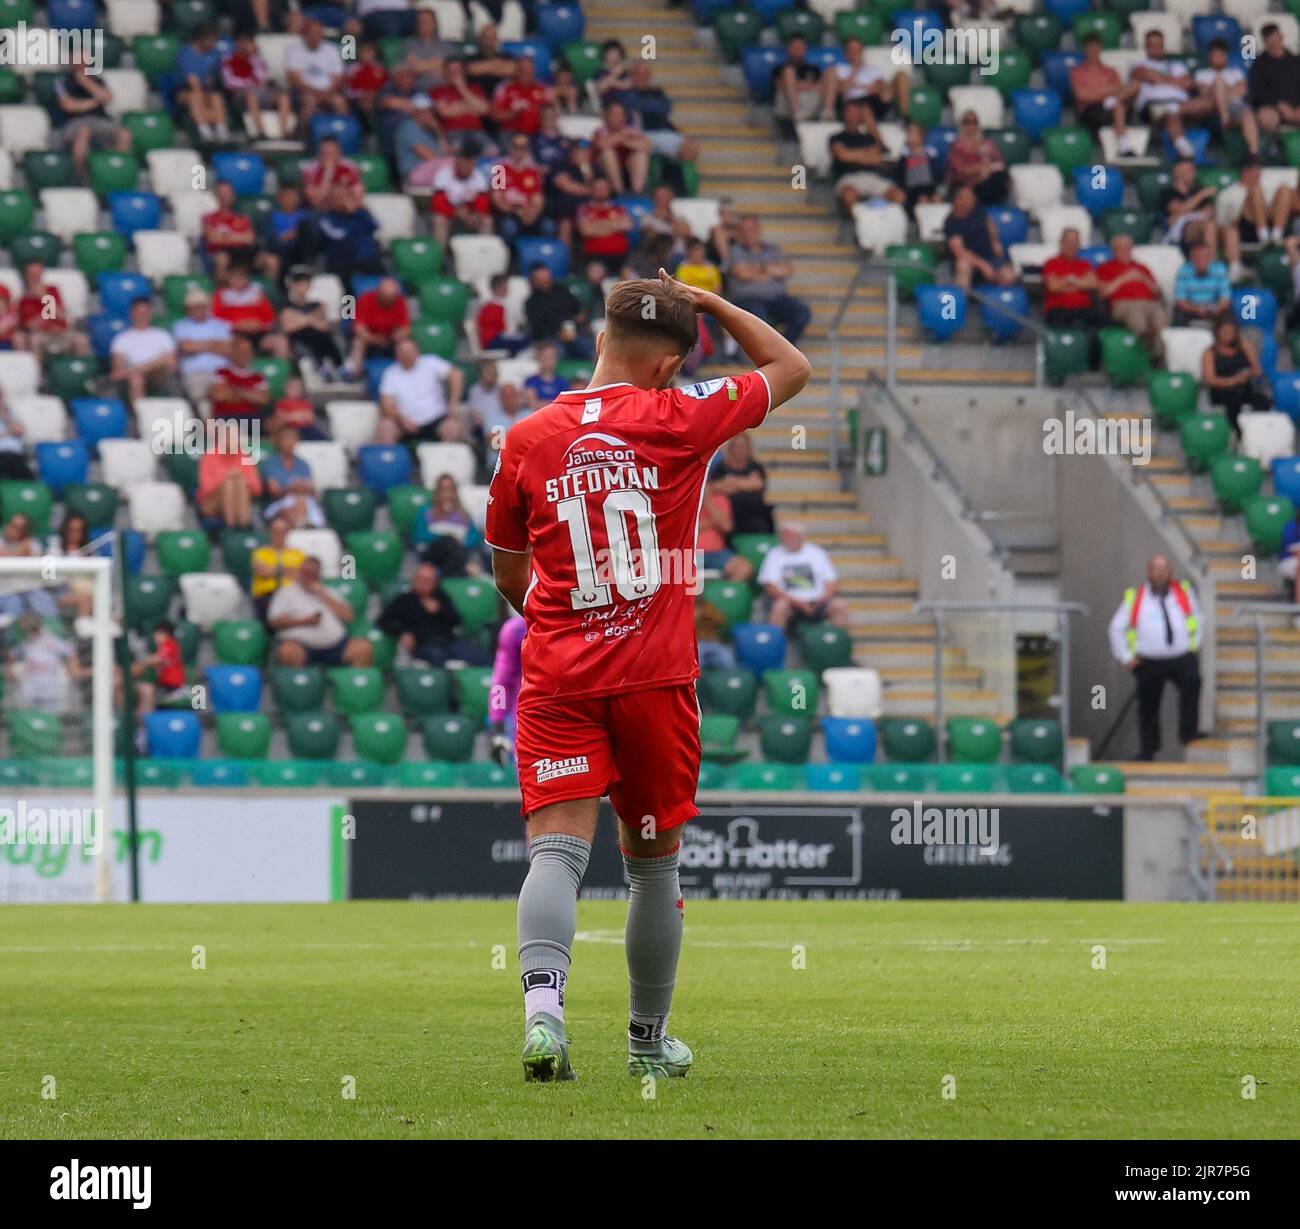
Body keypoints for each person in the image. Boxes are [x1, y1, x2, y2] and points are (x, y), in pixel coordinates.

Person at [485, 271, 811, 1082]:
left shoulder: (525, 437)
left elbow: (506, 571)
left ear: (600, 340)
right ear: (668, 366)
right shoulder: (681, 414)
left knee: (556, 855)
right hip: (656, 678)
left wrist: (569, 616)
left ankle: (543, 1019)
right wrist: (714, 305)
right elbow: (792, 366)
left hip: (559, 675)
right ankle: (645, 1042)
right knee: (653, 867)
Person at [1107, 554, 1204, 761]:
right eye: (1156, 569)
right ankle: (1148, 749)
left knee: (1192, 682)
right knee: (1148, 704)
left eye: (1164, 569)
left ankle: (1188, 732)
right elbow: (1116, 628)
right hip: (1148, 660)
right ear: (1149, 573)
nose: (1160, 573)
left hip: (1180, 656)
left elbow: (1198, 619)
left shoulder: (1183, 593)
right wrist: (1125, 657)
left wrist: (1193, 645)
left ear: (1170, 572)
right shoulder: (1135, 597)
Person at [268, 555, 374, 667]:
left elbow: (349, 616)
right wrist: (304, 622)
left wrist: (322, 595)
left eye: (313, 573)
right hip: (302, 647)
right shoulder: (286, 593)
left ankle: (354, 682)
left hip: (336, 646)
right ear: (300, 572)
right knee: (287, 651)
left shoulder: (329, 591)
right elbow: (274, 622)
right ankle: (299, 681)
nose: (309, 576)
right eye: (306, 572)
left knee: (363, 648)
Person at [377, 560, 489, 665]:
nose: (423, 583)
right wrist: (402, 633)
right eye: (420, 579)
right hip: (423, 644)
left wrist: (440, 610)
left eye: (428, 580)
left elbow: (457, 620)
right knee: (438, 657)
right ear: (413, 580)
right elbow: (383, 621)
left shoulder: (441, 596)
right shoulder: (404, 600)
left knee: (481, 657)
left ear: (435, 582)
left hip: (448, 641)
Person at [725, 215, 812, 345]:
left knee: (802, 312)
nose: (748, 233)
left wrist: (759, 269)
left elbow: (787, 270)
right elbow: (743, 274)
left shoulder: (773, 249)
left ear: (758, 230)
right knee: (759, 319)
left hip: (777, 299)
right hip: (749, 300)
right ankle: (771, 352)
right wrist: (771, 271)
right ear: (739, 232)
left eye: (752, 229)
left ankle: (785, 348)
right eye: (744, 230)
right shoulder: (735, 251)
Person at [758, 520, 849, 631]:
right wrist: (797, 602)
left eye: (791, 536)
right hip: (790, 603)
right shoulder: (774, 554)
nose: (787, 539)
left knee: (840, 605)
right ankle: (775, 644)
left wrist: (821, 600)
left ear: (801, 537)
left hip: (817, 601)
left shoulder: (817, 553)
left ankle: (836, 642)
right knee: (780, 607)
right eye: (784, 536)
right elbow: (770, 587)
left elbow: (831, 582)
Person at [54, 50, 130, 177]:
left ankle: (118, 172)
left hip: (100, 121)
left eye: (84, 59)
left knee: (124, 134)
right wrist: (93, 103)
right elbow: (68, 106)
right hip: (74, 123)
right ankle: (81, 175)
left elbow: (106, 98)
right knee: (84, 131)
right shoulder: (62, 81)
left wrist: (84, 80)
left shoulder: (97, 80)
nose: (81, 63)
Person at [377, 338, 466, 444]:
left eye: (410, 351)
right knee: (385, 427)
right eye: (402, 352)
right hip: (404, 422)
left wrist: (452, 404)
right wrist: (402, 419)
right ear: (397, 355)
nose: (407, 355)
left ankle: (444, 459)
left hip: (436, 419)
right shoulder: (391, 373)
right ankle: (392, 459)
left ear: (417, 351)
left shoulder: (431, 362)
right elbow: (386, 405)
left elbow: (456, 375)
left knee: (452, 427)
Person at [1097, 233, 1168, 364]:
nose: (1125, 251)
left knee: (1159, 315)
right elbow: (1102, 293)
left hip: (1148, 302)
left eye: (1128, 247)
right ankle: (1151, 352)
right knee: (1137, 316)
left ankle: (1157, 355)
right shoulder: (1105, 268)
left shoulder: (1142, 267)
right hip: (1123, 304)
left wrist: (1143, 279)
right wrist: (1124, 278)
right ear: (1114, 250)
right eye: (1121, 248)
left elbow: (1157, 292)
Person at [830, 99, 905, 213]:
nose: (853, 116)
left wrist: (853, 154)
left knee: (899, 195)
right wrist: (866, 154)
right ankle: (858, 223)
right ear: (844, 114)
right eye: (850, 113)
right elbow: (842, 156)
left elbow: (877, 158)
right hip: (850, 178)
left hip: (872, 177)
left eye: (856, 113)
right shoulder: (837, 138)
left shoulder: (869, 138)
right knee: (849, 195)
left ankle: (883, 220)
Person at [1070, 33, 1139, 156]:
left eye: (1096, 48)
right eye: (1090, 49)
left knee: (1134, 86)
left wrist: (1097, 92)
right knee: (1117, 105)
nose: (1093, 51)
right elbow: (1081, 95)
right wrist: (1107, 91)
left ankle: (1110, 103)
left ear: (1100, 49)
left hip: (1112, 106)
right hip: (1091, 110)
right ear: (1085, 50)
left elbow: (1119, 89)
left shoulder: (1110, 71)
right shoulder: (1077, 72)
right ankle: (1124, 144)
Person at [1201, 319, 1268, 436]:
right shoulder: (1210, 352)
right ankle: (1238, 433)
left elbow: (1257, 370)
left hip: (1244, 387)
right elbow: (1209, 379)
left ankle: (1257, 432)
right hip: (1221, 390)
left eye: (1231, 332)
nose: (1228, 335)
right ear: (1218, 333)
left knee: (1263, 401)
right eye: (1225, 333)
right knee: (1233, 398)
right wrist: (1232, 381)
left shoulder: (1244, 346)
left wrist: (1247, 374)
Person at [943, 184, 1017, 291]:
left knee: (1009, 274)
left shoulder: (980, 212)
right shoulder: (951, 222)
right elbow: (959, 251)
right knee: (963, 265)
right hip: (969, 261)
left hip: (989, 257)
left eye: (972, 196)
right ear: (957, 200)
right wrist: (983, 266)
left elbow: (992, 231)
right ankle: (962, 302)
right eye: (967, 197)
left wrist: (997, 246)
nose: (972, 199)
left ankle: (999, 302)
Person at [413, 472, 486, 575]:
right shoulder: (427, 511)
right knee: (448, 540)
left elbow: (474, 537)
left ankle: (454, 573)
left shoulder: (463, 513)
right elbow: (419, 535)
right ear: (437, 490)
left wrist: (460, 542)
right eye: (443, 488)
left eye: (450, 488)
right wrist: (446, 537)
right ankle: (468, 568)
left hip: (459, 552)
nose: (447, 492)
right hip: (435, 553)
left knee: (453, 547)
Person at [109, 297, 178, 405]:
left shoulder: (162, 335)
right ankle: (140, 417)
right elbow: (118, 371)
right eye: (139, 312)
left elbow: (171, 364)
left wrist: (139, 369)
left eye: (146, 312)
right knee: (136, 379)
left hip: (159, 375)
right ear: (132, 313)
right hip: (133, 378)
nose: (143, 316)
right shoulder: (121, 339)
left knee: (163, 364)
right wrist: (143, 369)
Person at [172, 287, 233, 404]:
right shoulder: (181, 326)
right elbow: (185, 347)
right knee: (200, 401)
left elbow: (228, 349)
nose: (199, 309)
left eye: (201, 306)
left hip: (220, 372)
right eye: (195, 306)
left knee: (226, 396)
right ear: (188, 309)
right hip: (194, 372)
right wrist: (214, 344)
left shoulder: (221, 325)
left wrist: (197, 345)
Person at [285, 18, 348, 122]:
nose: (315, 36)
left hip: (328, 92)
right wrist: (312, 92)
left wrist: (329, 92)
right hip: (304, 92)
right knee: (310, 102)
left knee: (340, 102)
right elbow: (293, 77)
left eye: (318, 33)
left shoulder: (331, 49)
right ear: (305, 34)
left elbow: (338, 76)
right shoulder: (294, 50)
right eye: (311, 33)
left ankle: (342, 133)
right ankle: (303, 134)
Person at [710, 432, 774, 535]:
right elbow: (711, 488)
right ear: (731, 448)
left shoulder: (756, 467)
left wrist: (730, 481)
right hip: (730, 518)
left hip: (755, 518)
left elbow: (756, 485)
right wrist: (746, 483)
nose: (740, 450)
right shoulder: (721, 468)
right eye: (737, 446)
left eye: (743, 446)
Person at [262, 425, 325, 527]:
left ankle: (301, 527)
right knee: (292, 507)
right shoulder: (271, 463)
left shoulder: (303, 464)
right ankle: (301, 528)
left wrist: (300, 488)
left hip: (303, 502)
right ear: (278, 441)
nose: (290, 442)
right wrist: (292, 488)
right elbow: (274, 492)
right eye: (286, 438)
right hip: (278, 504)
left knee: (301, 499)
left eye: (293, 438)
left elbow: (312, 491)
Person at [1042, 229, 1102, 331]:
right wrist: (1081, 284)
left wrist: (1069, 280)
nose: (1071, 245)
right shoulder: (1051, 263)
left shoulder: (1085, 264)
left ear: (1079, 244)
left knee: (1103, 321)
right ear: (1061, 243)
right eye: (1068, 241)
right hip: (1058, 308)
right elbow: (1053, 287)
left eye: (1075, 242)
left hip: (1083, 308)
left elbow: (1094, 284)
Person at [1249, 23, 1300, 143]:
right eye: (1269, 41)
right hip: (1272, 107)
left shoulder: (1296, 61)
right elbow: (1258, 92)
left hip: (1297, 105)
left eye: (1274, 40)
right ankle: (1275, 149)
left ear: (1281, 38)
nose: (1273, 44)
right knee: (1267, 118)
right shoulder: (1259, 65)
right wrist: (1279, 104)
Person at [945, 110, 1009, 207]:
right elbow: (960, 171)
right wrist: (980, 168)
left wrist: (988, 168)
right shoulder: (956, 147)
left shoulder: (987, 144)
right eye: (967, 122)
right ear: (961, 125)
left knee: (1000, 176)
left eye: (974, 122)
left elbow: (1000, 163)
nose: (971, 126)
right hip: (967, 184)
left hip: (988, 182)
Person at [197, 438, 263, 529]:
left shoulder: (244, 456)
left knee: (240, 481)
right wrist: (228, 476)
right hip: (211, 503)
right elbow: (207, 488)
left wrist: (238, 476)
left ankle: (244, 524)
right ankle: (232, 526)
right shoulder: (209, 456)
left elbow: (257, 489)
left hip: (239, 499)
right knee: (229, 483)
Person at [488, 613, 526, 766]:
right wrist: (497, 727)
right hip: (529, 719)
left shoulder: (581, 619)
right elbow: (501, 683)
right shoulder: (516, 629)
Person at [250, 514, 304, 619]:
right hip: (267, 595)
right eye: (276, 531)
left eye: (282, 531)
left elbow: (301, 575)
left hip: (292, 595)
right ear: (270, 532)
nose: (279, 534)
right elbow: (262, 572)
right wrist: (288, 570)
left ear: (287, 533)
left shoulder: (298, 553)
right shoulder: (260, 553)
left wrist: (274, 570)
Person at [1172, 241, 1230, 326]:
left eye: (1205, 257)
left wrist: (1216, 308)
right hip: (1191, 308)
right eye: (1197, 258)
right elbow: (1181, 301)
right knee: (1178, 313)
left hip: (1213, 307)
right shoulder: (1183, 271)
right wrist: (1197, 309)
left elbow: (1225, 299)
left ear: (1210, 258)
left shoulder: (1220, 269)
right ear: (1191, 258)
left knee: (1227, 314)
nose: (1201, 260)